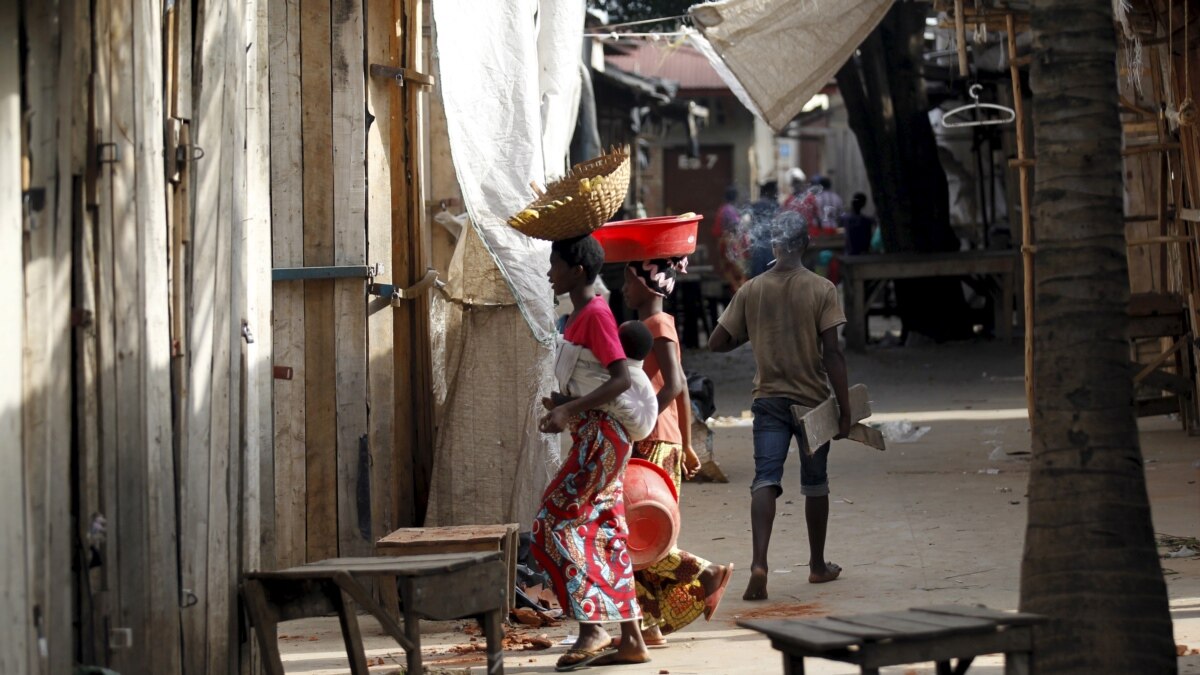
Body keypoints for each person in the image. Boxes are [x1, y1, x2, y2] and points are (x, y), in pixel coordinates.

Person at [707, 211, 852, 602]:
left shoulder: (752, 289)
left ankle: (759, 563)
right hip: (812, 403)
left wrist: (752, 332)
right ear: (805, 244)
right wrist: (845, 409)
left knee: (765, 480)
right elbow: (833, 354)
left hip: (768, 399)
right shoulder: (822, 288)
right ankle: (817, 565)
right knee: (815, 483)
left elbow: (717, 342)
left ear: (773, 244)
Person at [533, 235, 650, 671]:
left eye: (555, 264)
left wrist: (570, 410)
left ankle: (592, 627)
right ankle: (631, 638)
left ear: (577, 270)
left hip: (602, 438)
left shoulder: (596, 314)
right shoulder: (580, 315)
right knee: (607, 532)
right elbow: (595, 378)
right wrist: (564, 404)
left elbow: (620, 379)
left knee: (551, 522)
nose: (550, 273)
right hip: (596, 435)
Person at [621, 259, 735, 645]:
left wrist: (643, 421)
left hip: (654, 439)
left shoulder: (657, 325)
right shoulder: (651, 324)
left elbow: (674, 384)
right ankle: (649, 625)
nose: (624, 288)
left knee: (640, 530)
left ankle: (705, 572)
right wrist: (686, 443)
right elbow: (682, 387)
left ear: (648, 284)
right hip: (659, 438)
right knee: (638, 531)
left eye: (629, 280)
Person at [552, 317, 659, 443]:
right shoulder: (634, 372)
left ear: (619, 344)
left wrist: (563, 404)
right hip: (629, 435)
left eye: (615, 334)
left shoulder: (612, 371)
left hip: (608, 437)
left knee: (602, 395)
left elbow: (569, 353)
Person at [748, 180, 780, 278]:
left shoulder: (755, 205)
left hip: (757, 246)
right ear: (769, 191)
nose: (777, 194)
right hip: (769, 246)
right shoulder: (773, 205)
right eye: (775, 191)